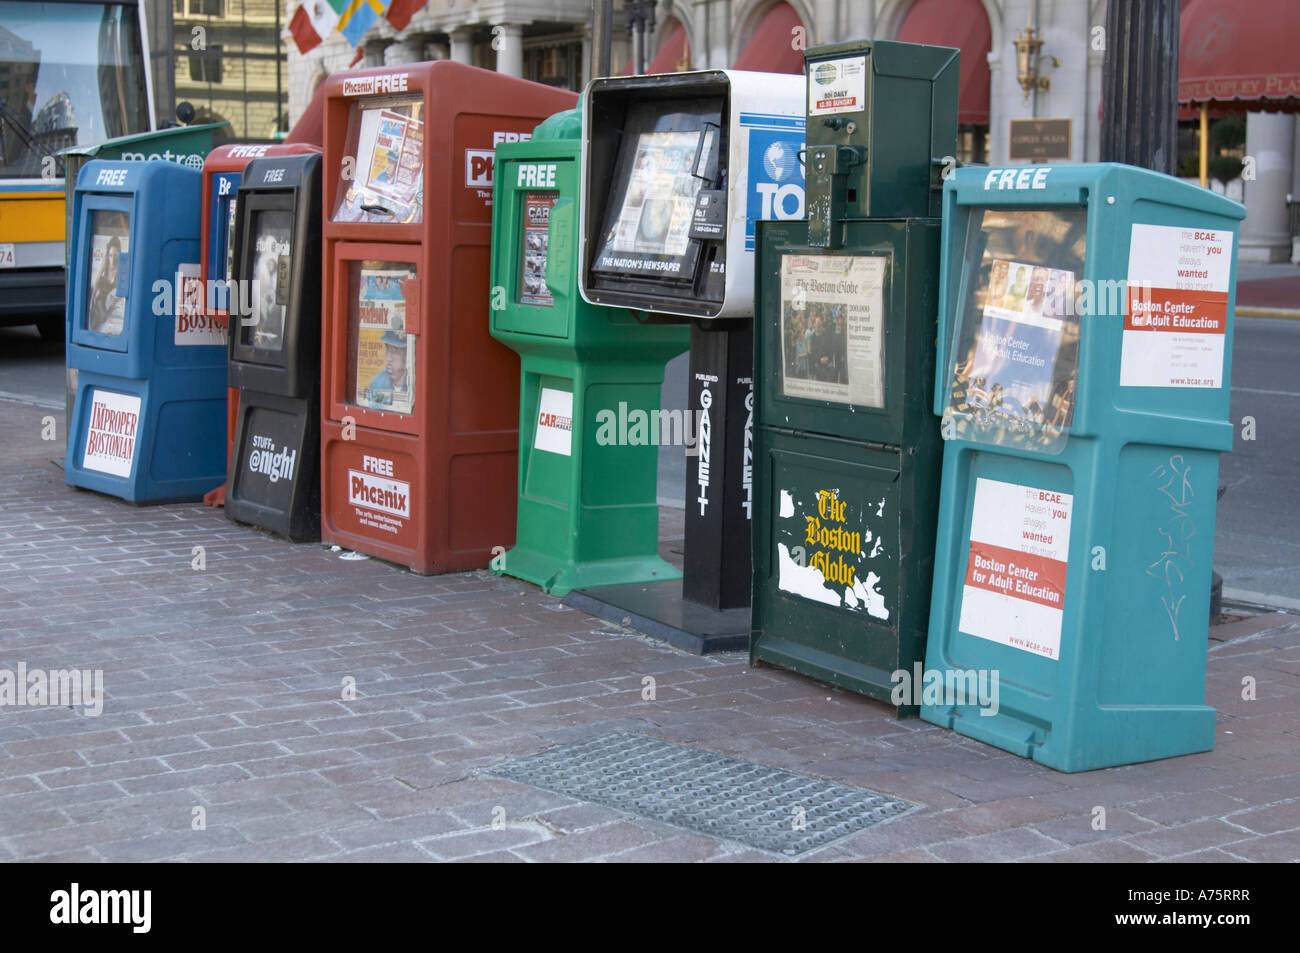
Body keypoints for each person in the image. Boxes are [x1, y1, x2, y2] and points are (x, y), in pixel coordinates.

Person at [88, 236, 122, 334]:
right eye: (111, 255)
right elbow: (97, 281)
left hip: (111, 300)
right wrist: (91, 300)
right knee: (101, 317)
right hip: (101, 297)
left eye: (115, 256)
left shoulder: (120, 269)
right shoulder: (105, 264)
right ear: (108, 255)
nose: (113, 259)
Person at [369, 325, 409, 404]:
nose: (388, 358)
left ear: (407, 354)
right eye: (387, 349)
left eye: (394, 350)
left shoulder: (415, 383)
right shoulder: (377, 383)